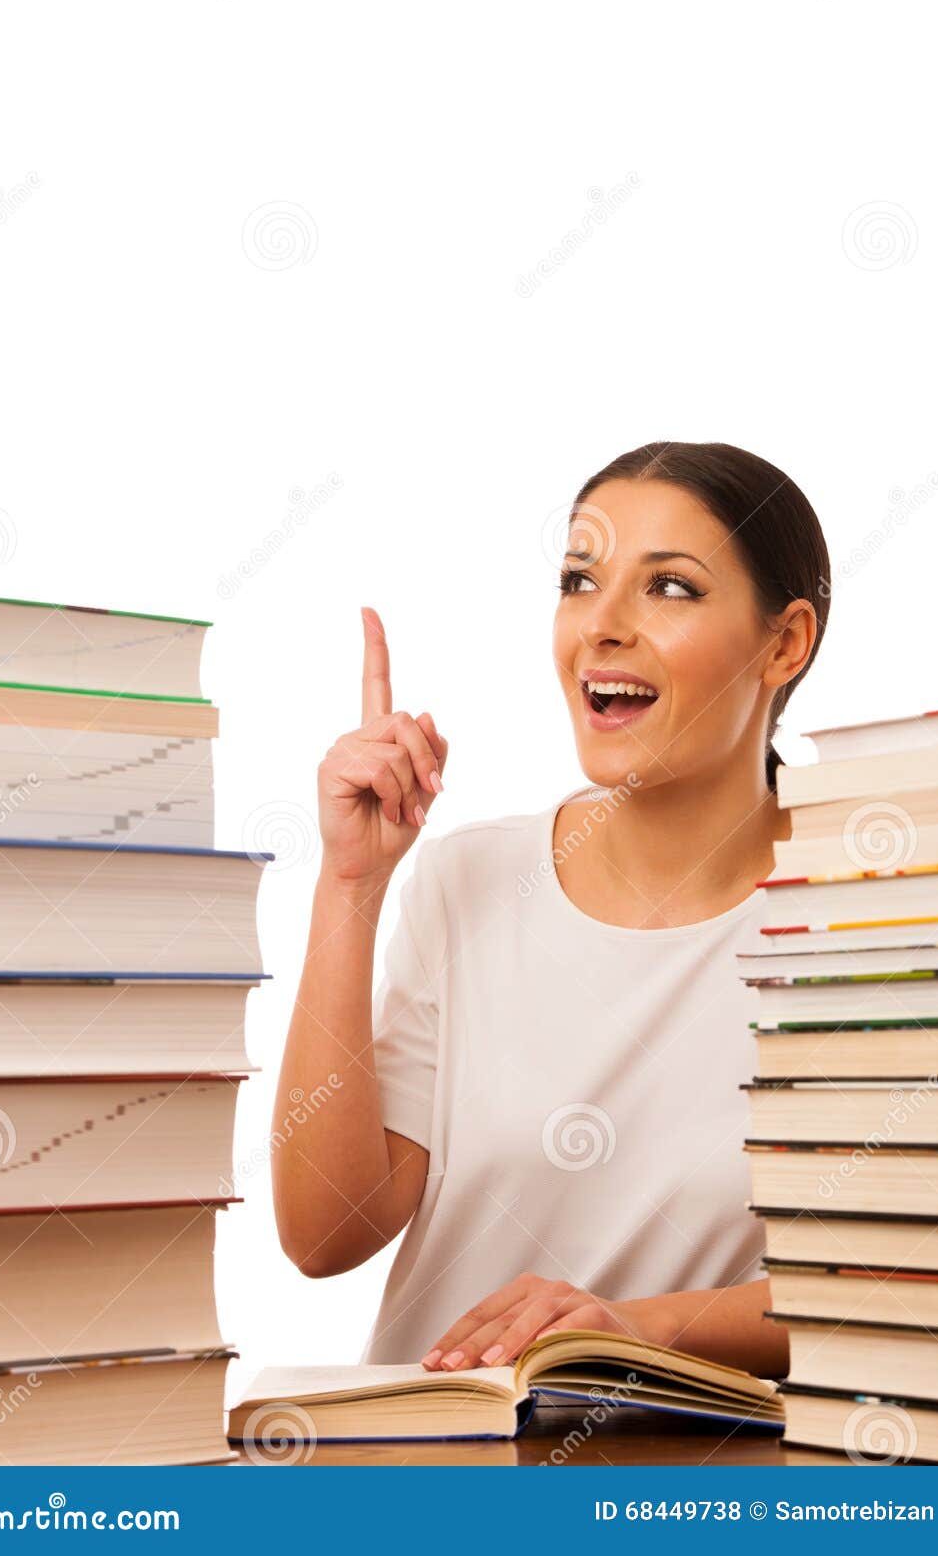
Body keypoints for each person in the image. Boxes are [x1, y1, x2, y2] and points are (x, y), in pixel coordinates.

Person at [271, 440, 829, 1379]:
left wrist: (635, 1329)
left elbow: (902, 1279)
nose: (600, 627)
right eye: (579, 580)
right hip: (425, 1477)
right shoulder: (469, 881)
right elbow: (325, 1237)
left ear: (784, 643)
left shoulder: (871, 914)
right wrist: (348, 890)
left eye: (671, 589)